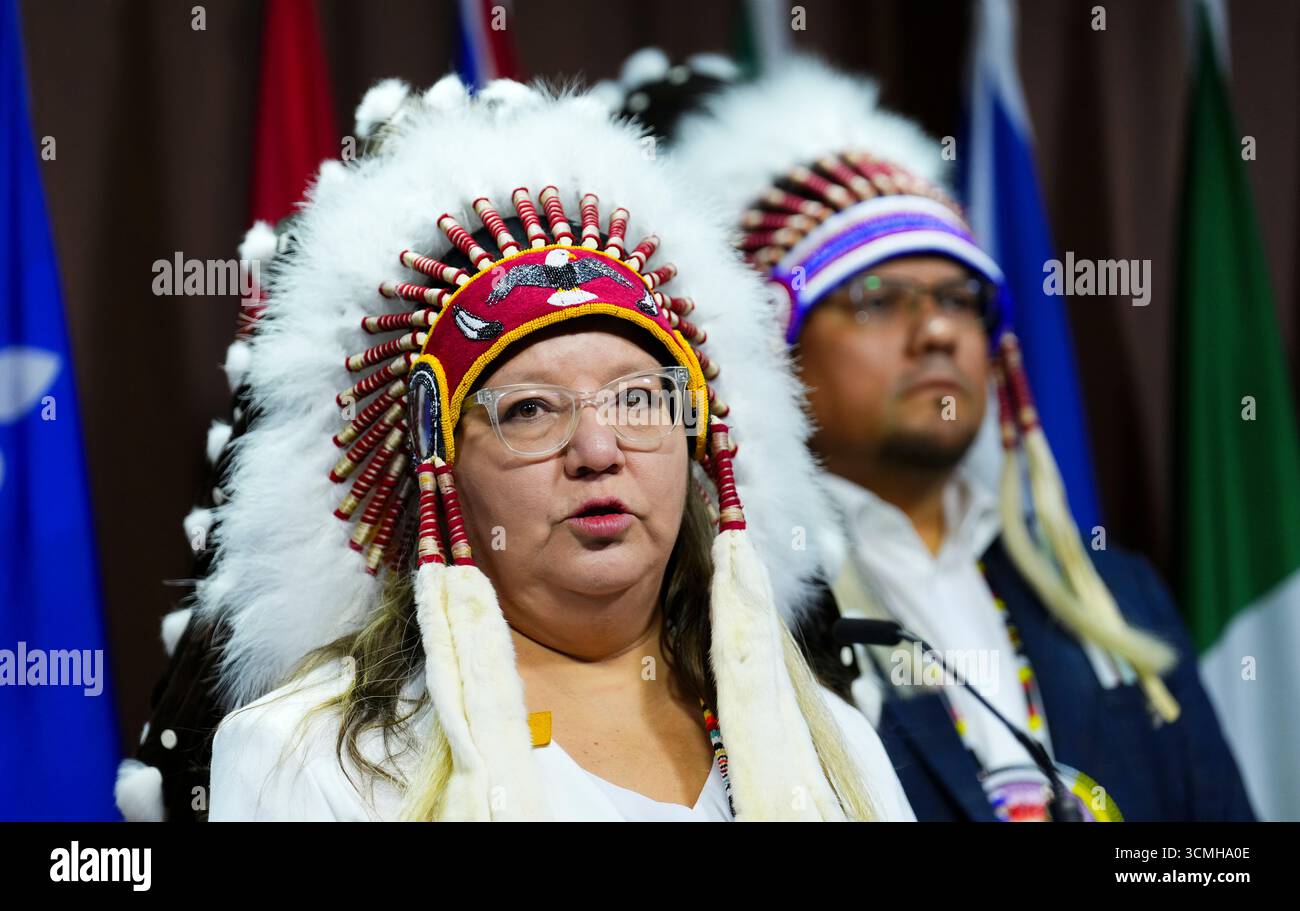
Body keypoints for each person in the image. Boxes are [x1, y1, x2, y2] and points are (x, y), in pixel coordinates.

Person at [189, 73, 913, 822]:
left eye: (637, 399)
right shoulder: (314, 758)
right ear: (438, 471)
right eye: (530, 410)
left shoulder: (828, 742)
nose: (598, 449)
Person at [673, 55, 1254, 821]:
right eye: (878, 300)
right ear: (775, 354)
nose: (938, 330)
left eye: (959, 298)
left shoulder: (1116, 596)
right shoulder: (737, 627)